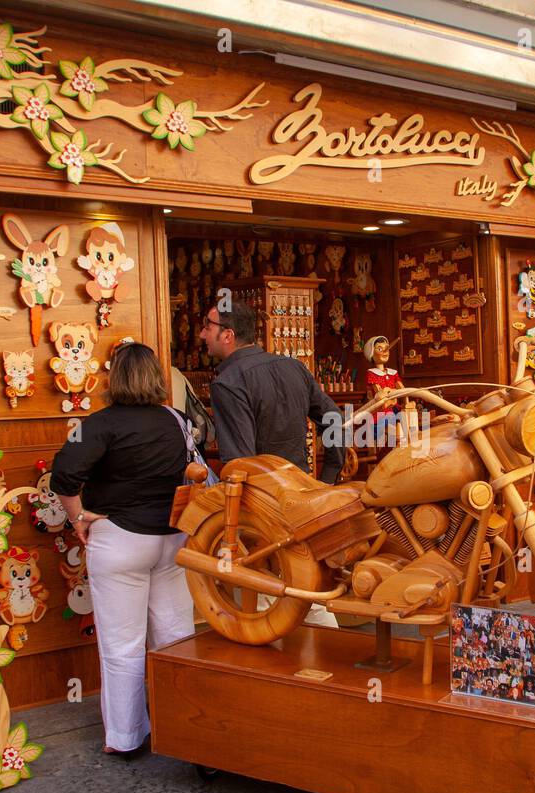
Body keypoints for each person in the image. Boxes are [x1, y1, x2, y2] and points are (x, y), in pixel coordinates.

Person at [49, 343, 193, 756]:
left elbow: (64, 475)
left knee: (122, 645)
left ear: (115, 379)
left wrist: (78, 518)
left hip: (119, 539)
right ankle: (184, 727)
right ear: (155, 377)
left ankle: (127, 738)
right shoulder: (176, 420)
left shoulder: (97, 424)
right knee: (175, 637)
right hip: (172, 539)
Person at [200, 299, 343, 483]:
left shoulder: (228, 383)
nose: (202, 334)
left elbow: (239, 465)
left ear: (228, 336)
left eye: (207, 327)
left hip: (262, 502)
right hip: (303, 493)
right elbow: (335, 419)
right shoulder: (294, 367)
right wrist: (328, 479)